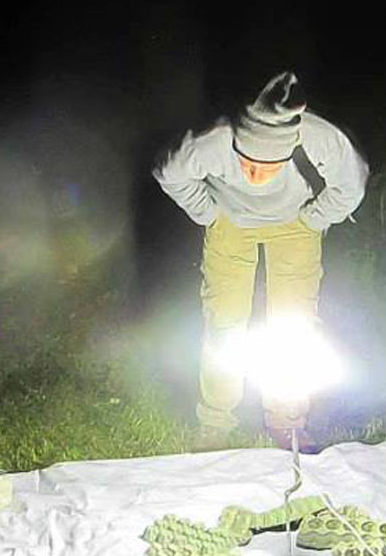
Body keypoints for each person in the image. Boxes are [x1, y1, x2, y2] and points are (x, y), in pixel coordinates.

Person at [152, 71, 369, 453]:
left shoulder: (320, 138)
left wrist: (315, 217)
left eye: (266, 167)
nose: (254, 176)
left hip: (295, 222)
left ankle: (287, 420)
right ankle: (216, 423)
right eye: (246, 163)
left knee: (294, 324)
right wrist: (207, 212)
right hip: (231, 222)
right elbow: (169, 173)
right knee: (224, 322)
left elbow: (352, 184)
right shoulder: (211, 141)